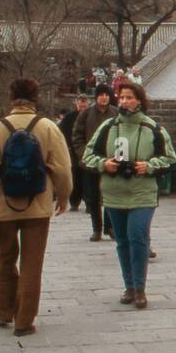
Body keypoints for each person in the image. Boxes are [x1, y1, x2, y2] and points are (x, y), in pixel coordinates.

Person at [0, 78, 72, 336]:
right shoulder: (48, 127)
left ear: (11, 98)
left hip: (3, 206)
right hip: (38, 208)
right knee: (32, 262)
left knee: (5, 258)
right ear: (35, 98)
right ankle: (24, 321)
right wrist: (63, 198)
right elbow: (62, 169)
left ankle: (3, 311)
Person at [83, 81, 176, 309]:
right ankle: (129, 287)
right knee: (122, 241)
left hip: (142, 193)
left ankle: (140, 288)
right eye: (121, 97)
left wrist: (150, 166)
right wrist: (105, 163)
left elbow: (170, 158)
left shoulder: (152, 128)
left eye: (129, 97)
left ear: (140, 100)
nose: (124, 101)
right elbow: (87, 156)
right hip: (114, 193)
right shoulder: (108, 127)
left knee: (138, 238)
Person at [71, 85, 116, 241]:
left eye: (106, 95)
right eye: (101, 95)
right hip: (91, 161)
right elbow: (77, 136)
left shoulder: (115, 113)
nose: (104, 98)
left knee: (110, 195)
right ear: (96, 97)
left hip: (111, 160)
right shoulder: (86, 114)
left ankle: (109, 227)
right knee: (93, 196)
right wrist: (84, 155)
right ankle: (96, 228)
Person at [58, 96, 88, 211]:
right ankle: (74, 202)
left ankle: (88, 201)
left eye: (84, 106)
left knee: (86, 176)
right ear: (77, 105)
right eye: (80, 106)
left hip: (86, 150)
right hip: (73, 150)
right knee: (74, 176)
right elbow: (62, 132)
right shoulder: (69, 118)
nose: (82, 109)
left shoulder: (90, 116)